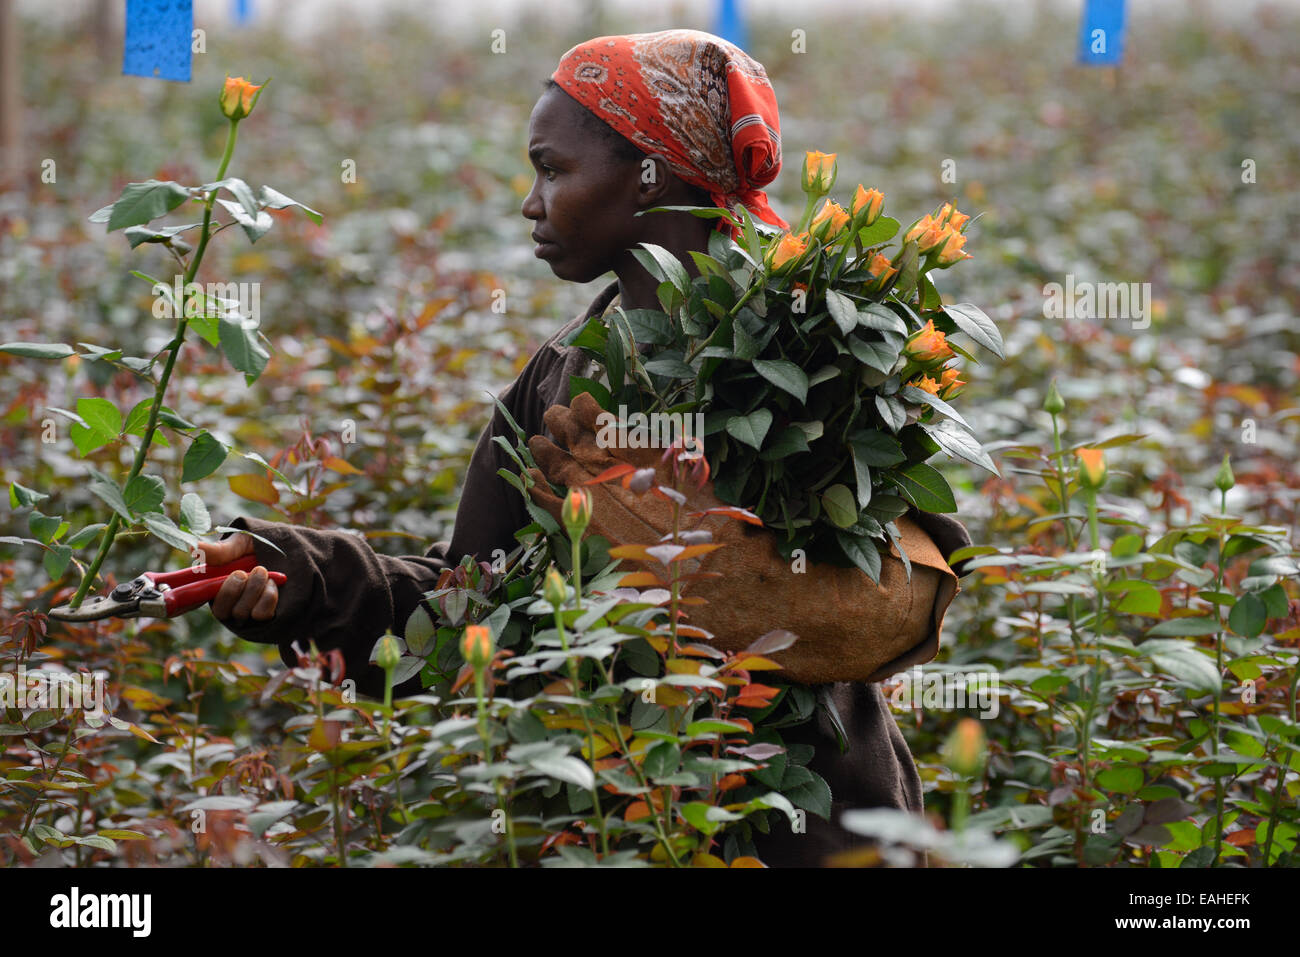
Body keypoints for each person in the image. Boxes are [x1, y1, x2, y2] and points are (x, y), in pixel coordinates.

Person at [203, 28, 974, 867]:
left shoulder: (812, 342)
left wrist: (706, 560)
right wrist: (301, 577)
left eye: (552, 168)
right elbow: (473, 597)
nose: (531, 202)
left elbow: (909, 583)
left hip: (814, 825)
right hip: (614, 812)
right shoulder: (562, 374)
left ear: (651, 171)